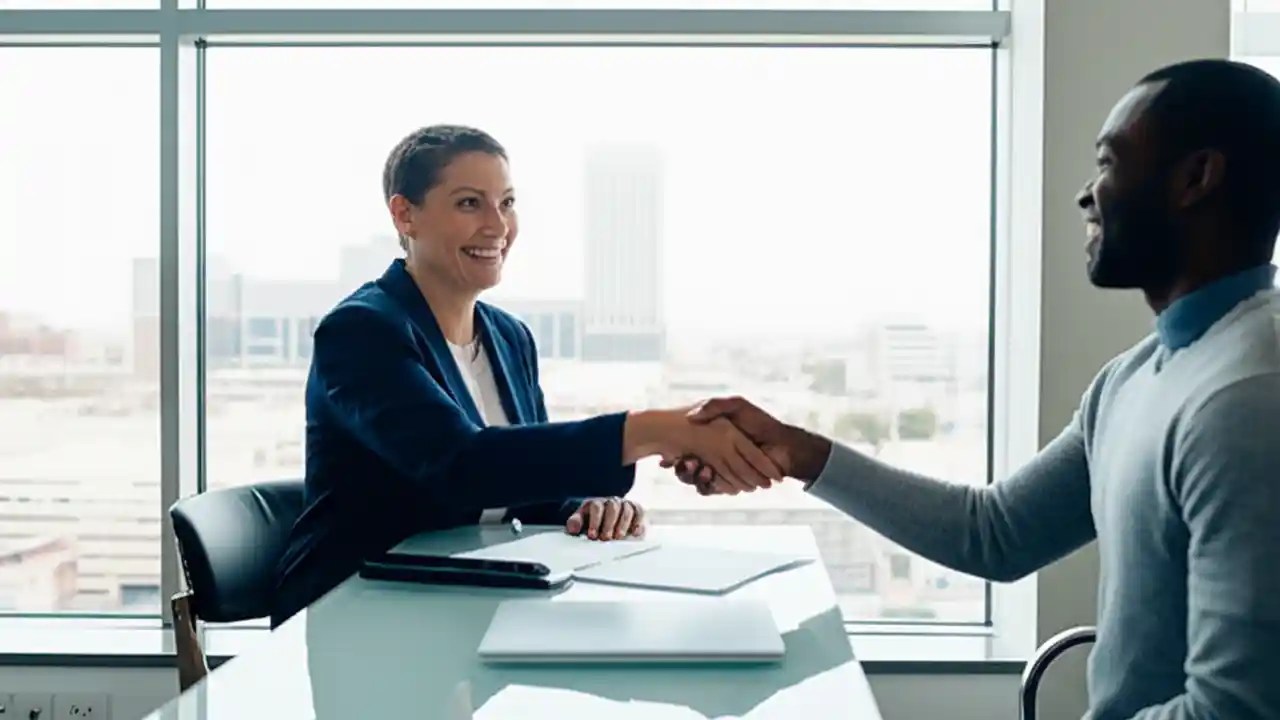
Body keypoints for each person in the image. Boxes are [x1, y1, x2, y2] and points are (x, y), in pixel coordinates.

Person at [672, 60, 1280, 719]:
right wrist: (797, 453)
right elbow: (994, 533)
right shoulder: (1137, 375)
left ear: (1196, 178)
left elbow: (1235, 710)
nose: (1087, 194)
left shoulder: (1245, 401)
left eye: (1109, 162)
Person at [272, 125, 781, 627]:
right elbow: (461, 467)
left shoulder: (508, 337)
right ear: (405, 214)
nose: (498, 226)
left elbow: (521, 483)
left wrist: (587, 507)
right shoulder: (362, 330)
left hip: (466, 604)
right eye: (470, 203)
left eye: (508, 203)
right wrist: (650, 431)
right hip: (360, 610)